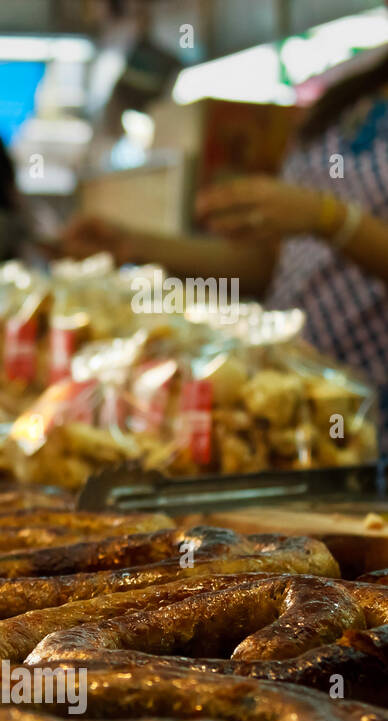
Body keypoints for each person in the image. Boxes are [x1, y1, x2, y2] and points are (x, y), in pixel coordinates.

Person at [60, 47, 388, 434]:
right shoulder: (353, 86)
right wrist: (134, 247)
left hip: (370, 404)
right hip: (293, 391)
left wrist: (327, 217)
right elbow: (271, 267)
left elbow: (322, 220)